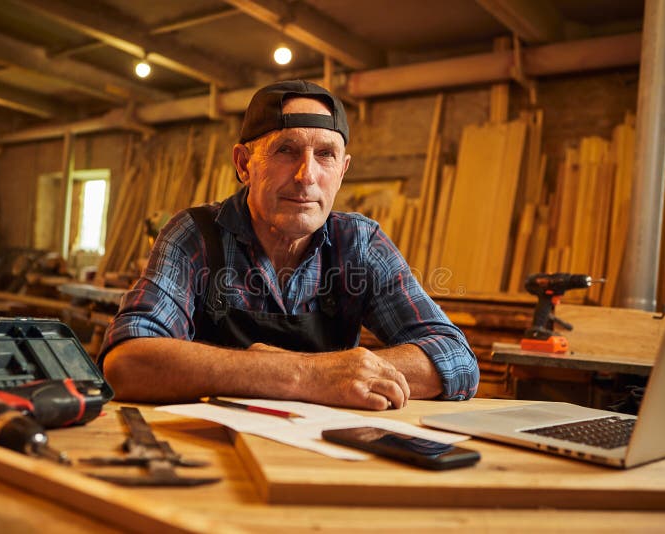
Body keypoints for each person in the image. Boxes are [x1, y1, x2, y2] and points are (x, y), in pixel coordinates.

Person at [99, 80, 479, 410]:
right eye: (286, 150)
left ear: (342, 171)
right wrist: (308, 375)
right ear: (244, 164)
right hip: (210, 450)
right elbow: (128, 362)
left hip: (325, 457)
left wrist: (340, 374)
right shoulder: (195, 235)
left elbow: (456, 357)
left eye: (325, 155)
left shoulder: (359, 244)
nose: (306, 176)